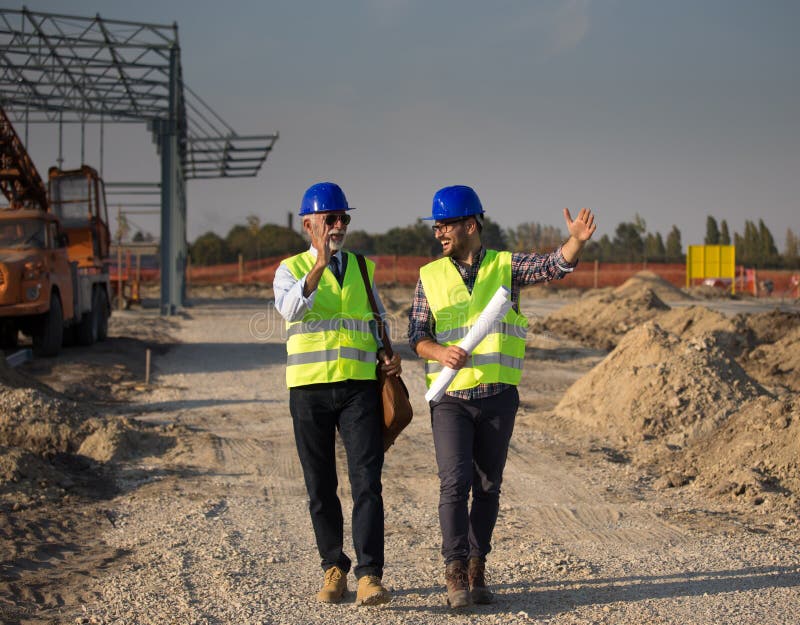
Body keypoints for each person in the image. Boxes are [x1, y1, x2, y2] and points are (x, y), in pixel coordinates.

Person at [407, 185, 596, 609]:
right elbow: (417, 335)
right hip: (451, 398)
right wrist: (439, 352)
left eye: (446, 225)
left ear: (470, 225)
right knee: (454, 484)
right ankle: (454, 570)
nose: (439, 233)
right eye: (436, 227)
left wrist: (576, 243)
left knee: (488, 487)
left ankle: (477, 566)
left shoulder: (505, 266)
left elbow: (552, 266)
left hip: (497, 397)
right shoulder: (429, 276)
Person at [273, 181, 401, 607]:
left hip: (358, 388)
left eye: (344, 218)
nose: (339, 225)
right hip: (308, 391)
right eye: (331, 218)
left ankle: (369, 575)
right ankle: (333, 567)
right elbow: (290, 309)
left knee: (368, 482)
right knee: (320, 485)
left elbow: (377, 317)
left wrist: (388, 354)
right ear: (308, 224)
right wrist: (319, 266)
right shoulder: (289, 269)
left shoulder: (362, 268)